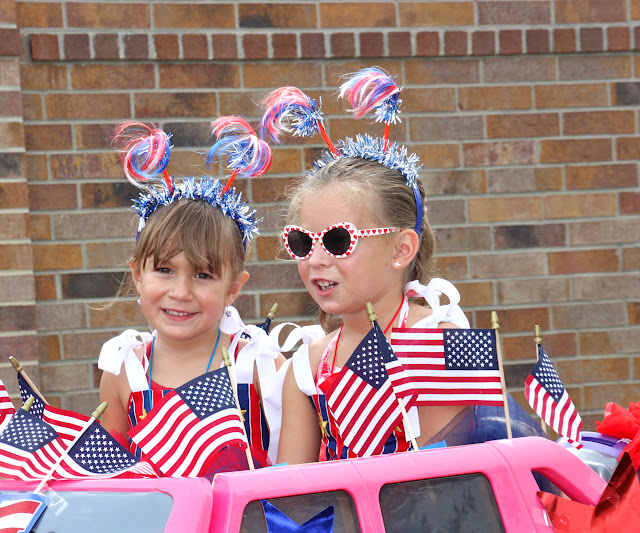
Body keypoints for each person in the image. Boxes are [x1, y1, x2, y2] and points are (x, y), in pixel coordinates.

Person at [271, 67, 543, 464]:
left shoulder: (443, 342)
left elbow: (446, 485)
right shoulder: (306, 364)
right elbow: (289, 493)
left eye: (337, 240)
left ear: (401, 249)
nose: (315, 259)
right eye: (301, 241)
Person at [97, 119, 285, 475]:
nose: (180, 292)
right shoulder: (124, 371)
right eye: (164, 270)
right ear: (138, 274)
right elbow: (112, 483)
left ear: (234, 288)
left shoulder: (257, 366)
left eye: (203, 275)